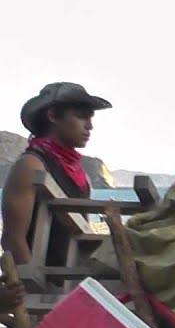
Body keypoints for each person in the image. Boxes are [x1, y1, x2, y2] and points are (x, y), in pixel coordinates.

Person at [2, 82, 112, 266]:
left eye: (91, 118)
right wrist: (34, 280)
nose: (90, 126)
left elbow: (81, 234)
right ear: (53, 115)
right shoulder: (31, 165)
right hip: (42, 280)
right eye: (81, 116)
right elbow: (13, 239)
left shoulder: (79, 173)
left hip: (71, 278)